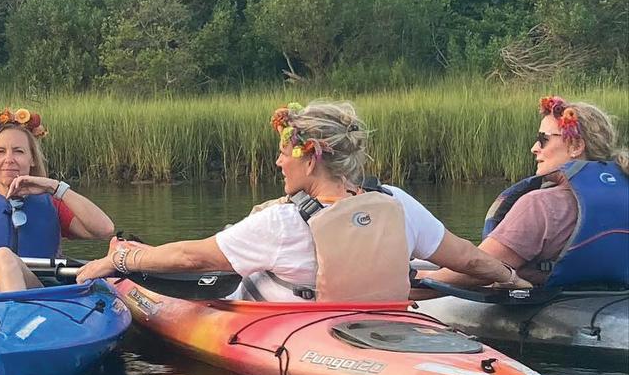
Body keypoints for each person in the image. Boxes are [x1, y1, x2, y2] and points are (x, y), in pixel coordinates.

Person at [77, 100, 527, 301]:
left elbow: (192, 258)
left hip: (305, 336)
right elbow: (469, 258)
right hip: (387, 326)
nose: (277, 162)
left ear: (309, 159)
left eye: (281, 152)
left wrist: (121, 261)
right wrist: (512, 280)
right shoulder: (397, 203)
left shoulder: (281, 222)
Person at [425, 96, 629, 290]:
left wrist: (417, 281)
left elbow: (476, 268)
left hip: (546, 308)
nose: (534, 148)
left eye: (543, 139)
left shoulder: (539, 205)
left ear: (575, 146)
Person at [0, 107, 116, 293]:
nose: (9, 159)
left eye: (18, 151)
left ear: (32, 159)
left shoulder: (52, 204)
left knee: (3, 257)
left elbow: (104, 229)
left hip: (35, 294)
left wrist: (55, 187)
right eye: (1, 152)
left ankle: (12, 316)